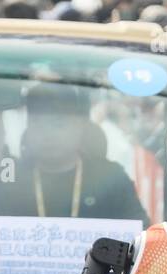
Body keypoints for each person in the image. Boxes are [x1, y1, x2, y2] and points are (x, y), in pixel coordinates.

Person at [16, 85, 147, 222]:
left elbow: (140, 232)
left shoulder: (111, 178)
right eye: (37, 124)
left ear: (81, 126)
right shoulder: (12, 179)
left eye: (58, 124)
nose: (47, 134)